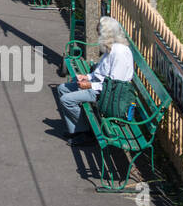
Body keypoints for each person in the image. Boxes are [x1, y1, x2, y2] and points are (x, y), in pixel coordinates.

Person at [56, 16, 135, 145]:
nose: (98, 36)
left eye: (100, 33)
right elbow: (102, 72)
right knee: (62, 89)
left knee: (67, 100)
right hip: (99, 86)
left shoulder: (119, 53)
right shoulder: (112, 48)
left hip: (106, 94)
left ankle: (85, 133)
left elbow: (113, 86)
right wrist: (87, 77)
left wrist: (89, 85)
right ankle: (78, 128)